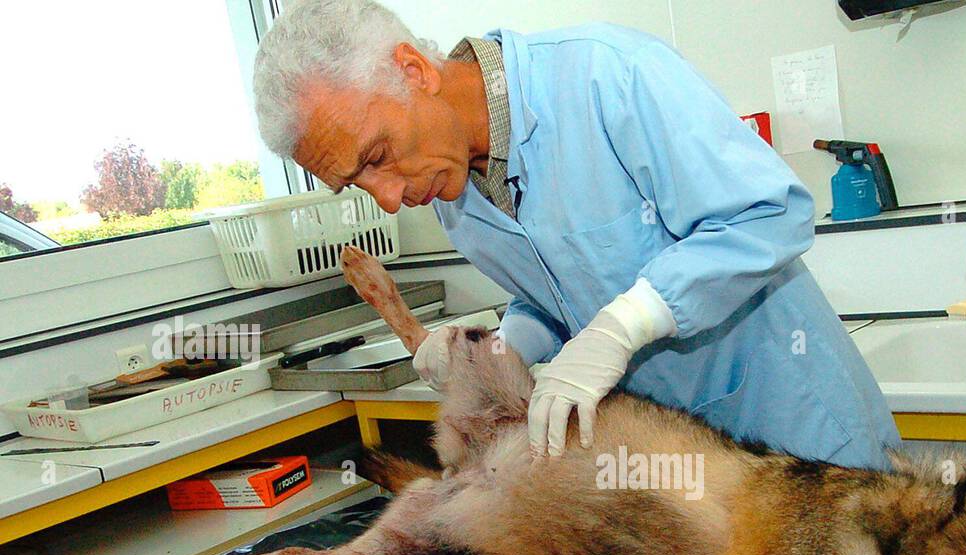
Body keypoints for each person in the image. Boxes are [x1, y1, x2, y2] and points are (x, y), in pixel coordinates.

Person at [253, 0, 899, 464]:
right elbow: (557, 296)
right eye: (357, 183)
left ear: (413, 71)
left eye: (375, 157)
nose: (390, 198)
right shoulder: (449, 188)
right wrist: (502, 351)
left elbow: (769, 212)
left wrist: (628, 324)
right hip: (677, 468)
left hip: (801, 436)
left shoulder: (608, 76)